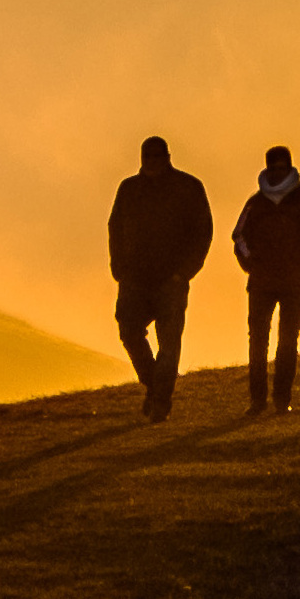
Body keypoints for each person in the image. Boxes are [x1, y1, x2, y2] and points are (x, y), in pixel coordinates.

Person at [104, 134, 214, 421]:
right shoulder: (128, 189)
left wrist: (183, 273)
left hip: (171, 279)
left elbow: (203, 232)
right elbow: (115, 227)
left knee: (169, 341)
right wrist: (119, 267)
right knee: (128, 331)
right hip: (134, 278)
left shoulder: (188, 187)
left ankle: (160, 400)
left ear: (167, 157)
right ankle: (155, 387)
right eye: (147, 157)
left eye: (156, 156)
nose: (151, 162)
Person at [230, 144, 300, 414]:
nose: (277, 173)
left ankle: (280, 399)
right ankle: (258, 400)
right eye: (273, 168)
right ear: (267, 168)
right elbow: (239, 236)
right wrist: (251, 264)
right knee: (258, 341)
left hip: (294, 283)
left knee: (287, 340)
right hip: (262, 281)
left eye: (281, 167)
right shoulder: (256, 204)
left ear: (289, 167)